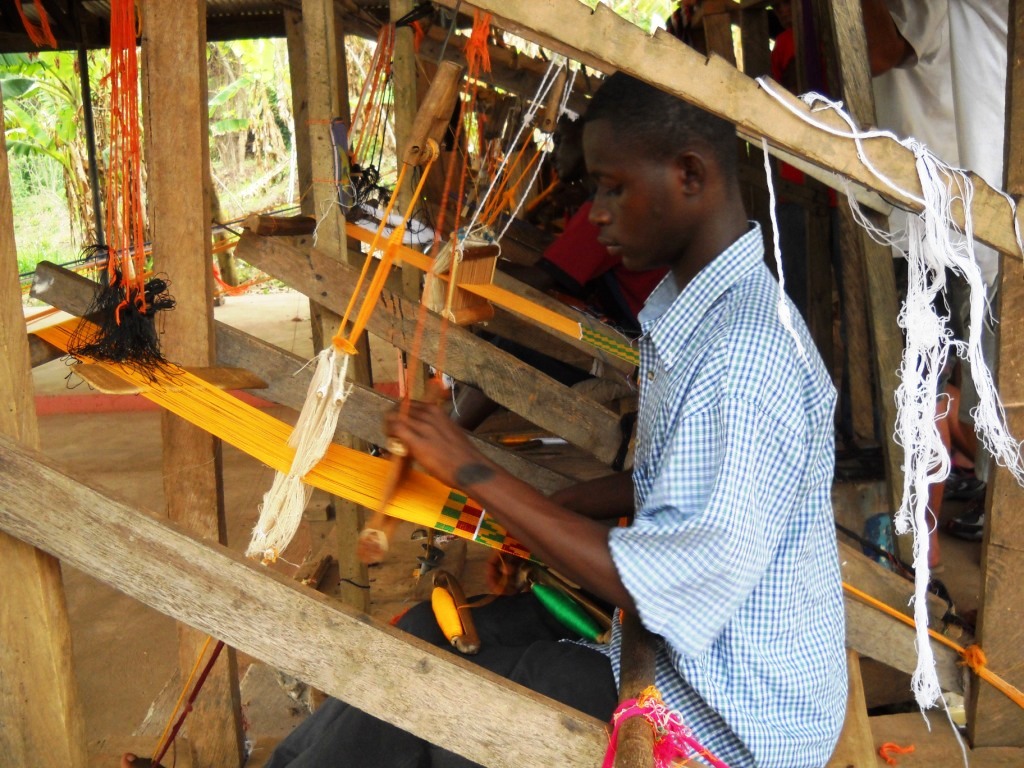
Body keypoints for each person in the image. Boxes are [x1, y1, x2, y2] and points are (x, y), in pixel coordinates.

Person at [266, 72, 847, 768]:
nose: (595, 213)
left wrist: (470, 466)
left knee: (429, 703)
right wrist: (551, 512)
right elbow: (686, 489)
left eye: (611, 188)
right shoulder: (705, 318)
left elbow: (658, 587)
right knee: (420, 636)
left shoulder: (742, 360)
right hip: (676, 653)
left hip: (727, 711)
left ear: (689, 175)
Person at [863, 0, 1009, 555]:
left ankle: (917, 556)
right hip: (951, 221)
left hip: (942, 227)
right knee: (937, 392)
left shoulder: (938, 7)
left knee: (923, 396)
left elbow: (878, 51)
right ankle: (921, 545)